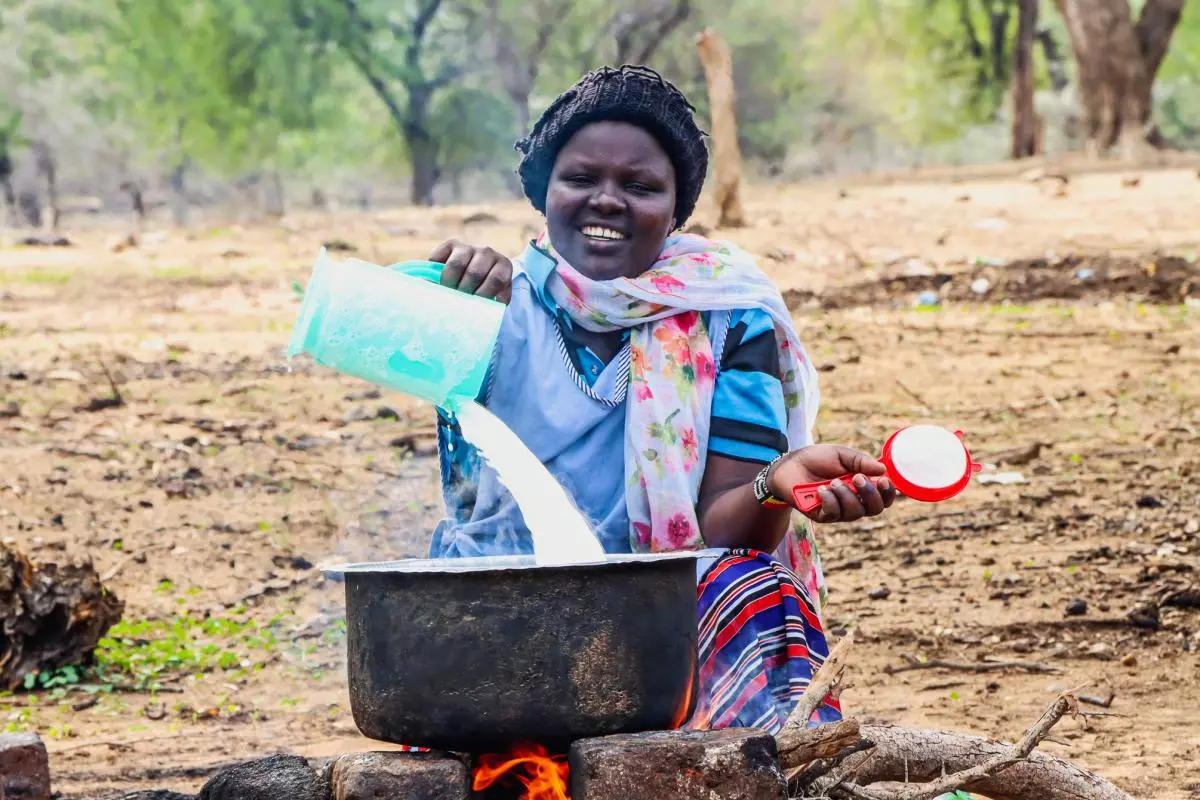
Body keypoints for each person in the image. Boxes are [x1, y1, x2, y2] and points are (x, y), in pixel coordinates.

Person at [425, 65, 895, 733]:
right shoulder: (487, 303)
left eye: (641, 186)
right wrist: (435, 298)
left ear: (676, 209)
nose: (607, 202)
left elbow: (727, 534)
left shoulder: (729, 316)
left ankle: (753, 768)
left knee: (755, 587)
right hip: (513, 601)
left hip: (661, 615)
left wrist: (776, 483)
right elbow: (359, 330)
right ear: (543, 191)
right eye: (581, 179)